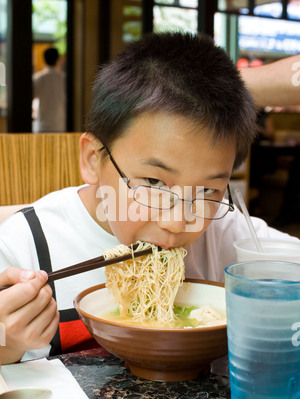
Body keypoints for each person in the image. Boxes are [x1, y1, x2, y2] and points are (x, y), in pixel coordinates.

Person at [0, 32, 298, 365]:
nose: (177, 222)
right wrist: (6, 343)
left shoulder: (225, 234)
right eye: (154, 182)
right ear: (92, 159)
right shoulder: (23, 246)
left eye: (207, 191)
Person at [32, 47, 66, 133]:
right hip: (60, 124)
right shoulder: (64, 78)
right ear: (58, 60)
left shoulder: (38, 78)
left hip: (42, 125)